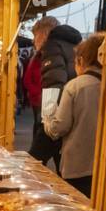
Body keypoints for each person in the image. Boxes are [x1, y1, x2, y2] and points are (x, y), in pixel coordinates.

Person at [44, 33, 105, 198]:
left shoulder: (76, 86)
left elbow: (59, 127)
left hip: (77, 167)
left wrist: (47, 120)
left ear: (82, 60)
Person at [29, 16, 81, 169]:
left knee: (33, 164)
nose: (33, 41)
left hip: (58, 115)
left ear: (42, 34)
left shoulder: (52, 46)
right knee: (64, 167)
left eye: (35, 36)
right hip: (74, 115)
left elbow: (54, 83)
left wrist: (48, 123)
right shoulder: (73, 44)